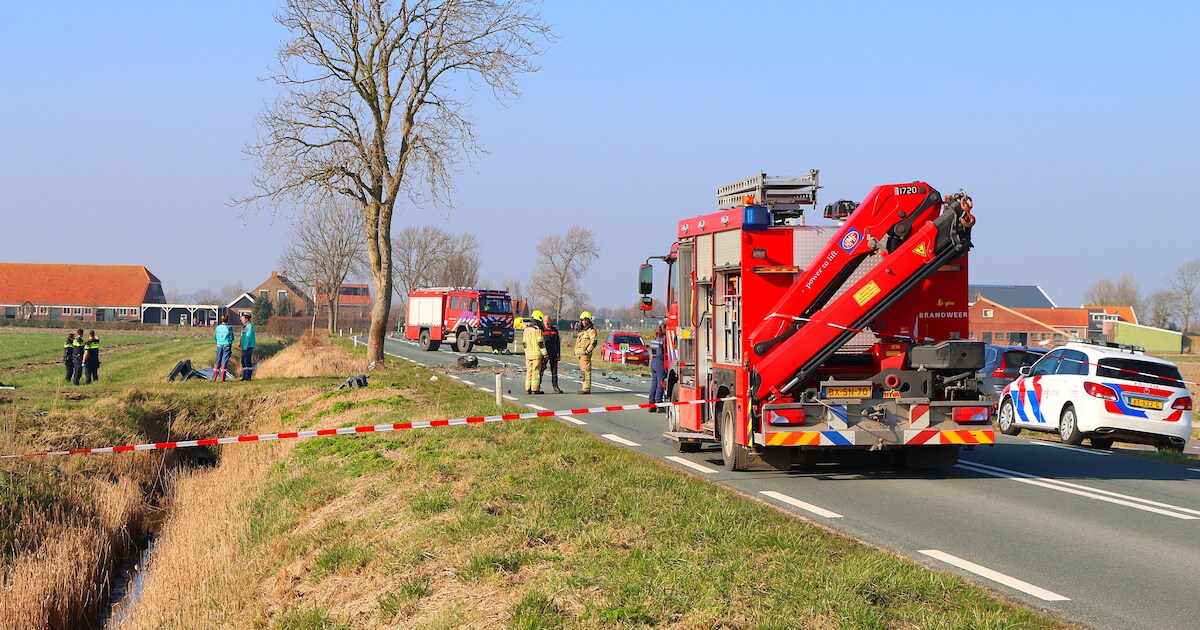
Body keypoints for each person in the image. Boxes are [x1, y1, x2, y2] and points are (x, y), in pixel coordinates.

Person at [523, 310, 548, 394]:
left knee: (529, 371)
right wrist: (545, 354)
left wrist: (526, 352)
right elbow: (540, 343)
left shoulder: (526, 330)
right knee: (536, 371)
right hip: (537, 355)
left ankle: (528, 388)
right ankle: (535, 389)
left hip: (528, 355)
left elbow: (524, 344)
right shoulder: (538, 331)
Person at [574, 311, 597, 394]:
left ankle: (586, 389)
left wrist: (588, 351)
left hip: (585, 355)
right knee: (583, 372)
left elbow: (594, 342)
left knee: (586, 371)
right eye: (583, 320)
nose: (584, 322)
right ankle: (584, 387)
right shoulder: (582, 331)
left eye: (586, 320)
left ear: (589, 320)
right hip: (580, 355)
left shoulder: (591, 331)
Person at [648, 325, 666, 413]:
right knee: (660, 383)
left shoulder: (654, 339)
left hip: (653, 362)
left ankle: (651, 404)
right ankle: (659, 403)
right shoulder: (663, 339)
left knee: (654, 384)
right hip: (660, 362)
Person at [542, 317, 563, 393]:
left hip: (553, 353)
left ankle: (555, 387)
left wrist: (558, 354)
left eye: (548, 321)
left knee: (554, 370)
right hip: (544, 353)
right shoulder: (541, 330)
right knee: (541, 369)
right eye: (545, 321)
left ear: (550, 321)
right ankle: (537, 386)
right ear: (543, 322)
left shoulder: (554, 330)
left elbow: (558, 343)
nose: (547, 323)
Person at [213, 314, 234, 382]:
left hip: (219, 344)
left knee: (218, 360)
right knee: (224, 361)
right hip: (227, 344)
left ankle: (214, 378)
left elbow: (215, 337)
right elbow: (231, 337)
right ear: (227, 320)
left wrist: (219, 340)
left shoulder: (218, 327)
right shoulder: (229, 327)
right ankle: (222, 378)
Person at [239, 312, 256, 381]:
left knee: (246, 361)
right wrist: (241, 343)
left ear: (246, 319)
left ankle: (247, 377)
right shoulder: (245, 326)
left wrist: (245, 347)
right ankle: (245, 376)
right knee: (243, 361)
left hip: (247, 346)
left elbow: (247, 337)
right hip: (244, 346)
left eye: (242, 318)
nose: (241, 320)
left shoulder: (249, 326)